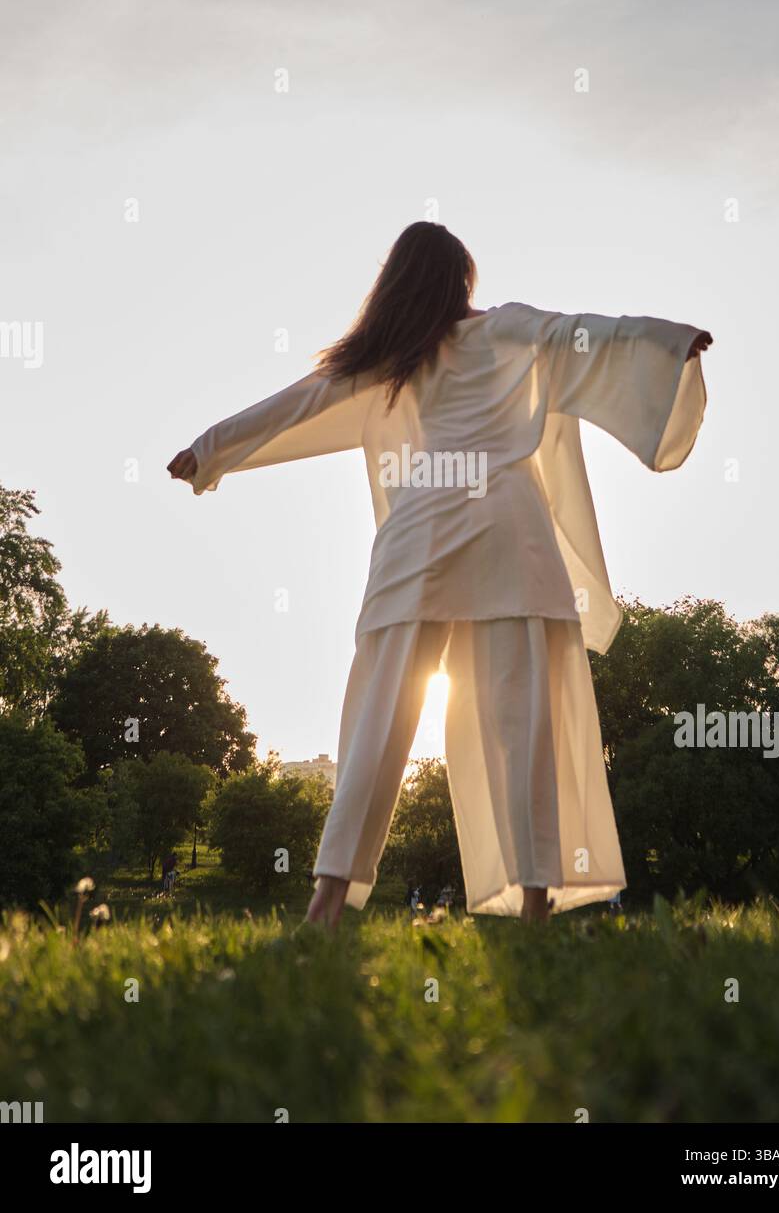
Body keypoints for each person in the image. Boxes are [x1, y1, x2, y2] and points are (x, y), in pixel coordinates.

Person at [168, 222, 712, 930]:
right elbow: (584, 333)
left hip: (421, 533)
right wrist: (668, 344)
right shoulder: (501, 327)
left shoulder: (389, 356)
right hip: (507, 532)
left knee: (379, 717)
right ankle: (536, 908)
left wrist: (209, 450)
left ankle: (326, 907)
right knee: (523, 724)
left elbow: (301, 400)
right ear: (460, 280)